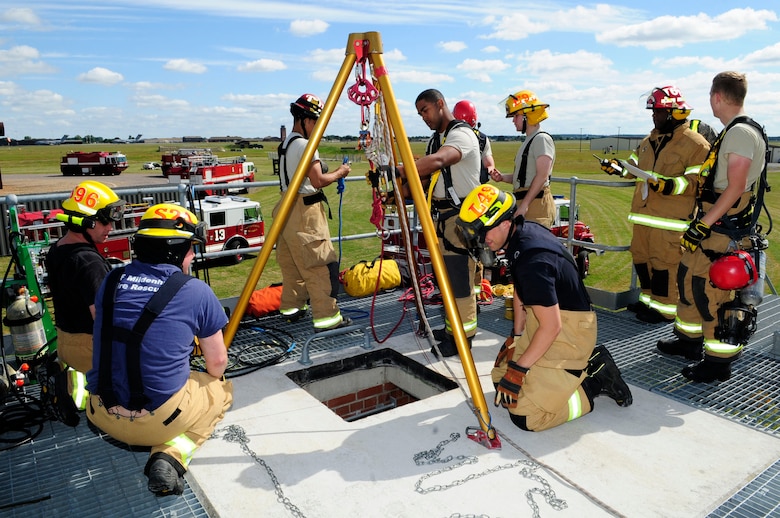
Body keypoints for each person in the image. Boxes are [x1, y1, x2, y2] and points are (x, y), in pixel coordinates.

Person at [456, 184, 632, 431]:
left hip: (569, 332)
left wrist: (519, 369)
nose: (482, 241)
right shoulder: (521, 233)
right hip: (545, 318)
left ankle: (595, 380)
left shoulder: (532, 260)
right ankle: (561, 375)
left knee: (525, 416)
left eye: (483, 233)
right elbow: (520, 288)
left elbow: (551, 327)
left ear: (504, 223)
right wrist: (517, 336)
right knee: (500, 382)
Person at [86, 203, 233, 496]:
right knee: (220, 389)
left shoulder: (111, 280)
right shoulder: (195, 291)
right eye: (190, 249)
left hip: (100, 412)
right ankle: (170, 455)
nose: (193, 255)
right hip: (157, 422)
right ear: (175, 252)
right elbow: (217, 364)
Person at [657, 71, 769, 382]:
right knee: (689, 280)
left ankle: (718, 363)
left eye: (710, 95)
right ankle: (689, 342)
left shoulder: (740, 133)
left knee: (713, 294)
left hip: (722, 228)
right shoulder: (733, 131)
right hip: (712, 225)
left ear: (717, 97)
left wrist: (703, 225)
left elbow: (735, 187)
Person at [601, 85, 710, 324]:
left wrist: (667, 185)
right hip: (643, 218)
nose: (653, 115)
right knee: (642, 261)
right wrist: (615, 168)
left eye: (658, 111)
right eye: (653, 111)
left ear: (674, 113)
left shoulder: (696, 145)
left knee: (664, 267)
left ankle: (665, 311)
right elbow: (632, 168)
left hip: (670, 222)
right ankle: (648, 301)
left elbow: (696, 182)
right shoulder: (647, 141)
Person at [398, 89, 482, 358]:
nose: (423, 117)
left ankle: (462, 339)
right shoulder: (436, 140)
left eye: (425, 110)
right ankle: (450, 331)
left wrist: (399, 170)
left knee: (459, 281)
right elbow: (425, 179)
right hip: (443, 218)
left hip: (460, 219)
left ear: (440, 104)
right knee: (445, 280)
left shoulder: (461, 134)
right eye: (419, 113)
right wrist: (396, 191)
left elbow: (440, 160)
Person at [43, 180, 126, 426]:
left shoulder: (57, 249)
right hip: (89, 349)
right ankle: (77, 390)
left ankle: (71, 384)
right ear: (86, 222)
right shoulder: (89, 263)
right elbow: (104, 319)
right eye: (104, 221)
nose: (110, 227)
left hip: (66, 342)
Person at [275, 93, 352, 331]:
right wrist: (340, 172)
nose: (318, 128)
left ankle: (292, 308)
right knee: (319, 265)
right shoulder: (306, 146)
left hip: (285, 209)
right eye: (316, 122)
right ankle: (327, 318)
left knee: (292, 266)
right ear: (306, 119)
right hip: (305, 211)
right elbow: (318, 180)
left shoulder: (286, 144)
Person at [452, 99, 500, 302]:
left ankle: (468, 293)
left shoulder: (450, 136)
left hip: (456, 201)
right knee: (475, 245)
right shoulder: (481, 139)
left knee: (460, 249)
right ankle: (477, 292)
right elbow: (489, 163)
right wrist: (489, 172)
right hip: (477, 201)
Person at [490, 90, 556, 227]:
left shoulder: (541, 139)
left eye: (516, 116)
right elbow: (525, 176)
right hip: (527, 202)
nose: (513, 120)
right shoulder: (530, 140)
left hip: (536, 206)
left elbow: (542, 176)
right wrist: (502, 178)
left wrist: (524, 205)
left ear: (527, 115)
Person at [452, 99, 499, 184]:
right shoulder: (482, 138)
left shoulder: (446, 136)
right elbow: (490, 165)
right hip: (474, 187)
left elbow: (490, 166)